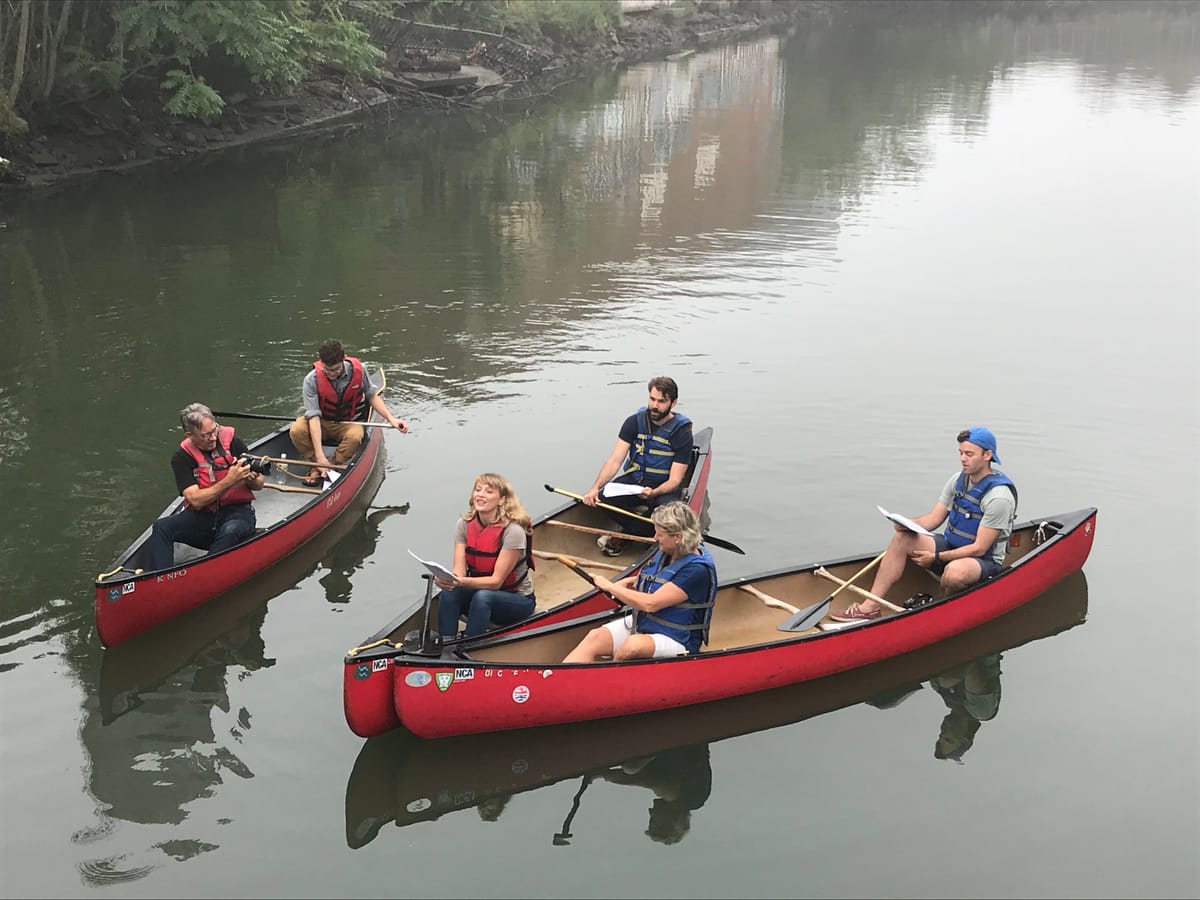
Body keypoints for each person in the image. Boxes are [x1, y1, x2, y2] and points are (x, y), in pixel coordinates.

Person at [834, 427, 1018, 621]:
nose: (963, 459)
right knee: (903, 538)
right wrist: (906, 524)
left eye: (969, 454)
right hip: (952, 546)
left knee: (954, 573)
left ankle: (943, 611)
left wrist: (936, 557)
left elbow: (979, 548)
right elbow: (933, 519)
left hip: (983, 561)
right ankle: (870, 607)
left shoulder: (999, 498)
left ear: (987, 455)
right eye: (961, 453)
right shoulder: (957, 481)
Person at [563, 501, 717, 662]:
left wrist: (610, 586)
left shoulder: (697, 570)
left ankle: (611, 674)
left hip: (678, 638)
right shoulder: (669, 551)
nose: (655, 538)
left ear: (678, 537)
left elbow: (650, 604)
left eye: (660, 534)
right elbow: (660, 579)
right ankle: (561, 677)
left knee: (632, 646)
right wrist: (629, 582)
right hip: (646, 622)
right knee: (595, 637)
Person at [581, 376, 693, 557]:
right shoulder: (634, 422)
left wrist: (654, 492)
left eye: (661, 401)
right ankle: (645, 532)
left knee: (667, 516)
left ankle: (627, 536)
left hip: (663, 488)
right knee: (603, 498)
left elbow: (675, 480)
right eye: (652, 399)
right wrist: (594, 488)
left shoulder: (682, 433)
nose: (654, 405)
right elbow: (614, 461)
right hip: (636, 482)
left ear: (673, 403)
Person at [146, 403, 265, 570]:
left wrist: (251, 479)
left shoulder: (233, 442)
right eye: (206, 435)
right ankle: (159, 577)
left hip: (238, 514)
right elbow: (196, 501)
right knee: (162, 527)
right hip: (203, 517)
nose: (214, 438)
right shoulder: (181, 458)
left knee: (230, 530)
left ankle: (206, 572)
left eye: (215, 430)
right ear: (190, 435)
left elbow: (259, 484)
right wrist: (229, 480)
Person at [289, 339, 408, 485]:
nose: (331, 373)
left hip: (347, 422)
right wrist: (319, 456)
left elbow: (371, 396)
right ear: (321, 362)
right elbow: (313, 417)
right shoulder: (311, 380)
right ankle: (316, 464)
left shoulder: (359, 370)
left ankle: (332, 464)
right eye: (327, 369)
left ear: (344, 359)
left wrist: (391, 418)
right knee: (296, 429)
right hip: (321, 422)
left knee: (355, 436)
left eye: (336, 369)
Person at [434, 473, 537, 639]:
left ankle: (472, 645)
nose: (481, 495)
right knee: (448, 593)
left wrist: (460, 582)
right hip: (478, 595)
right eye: (478, 490)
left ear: (502, 500)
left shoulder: (513, 531)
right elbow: (459, 572)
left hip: (517, 601)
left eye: (489, 492)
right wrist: (448, 580)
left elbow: (496, 582)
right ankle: (446, 643)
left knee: (483, 596)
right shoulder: (463, 525)